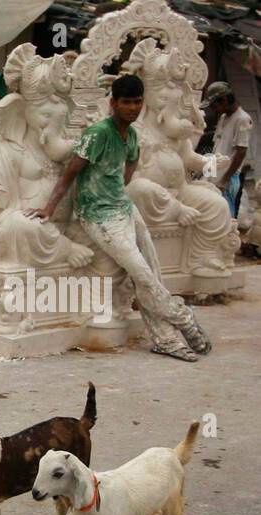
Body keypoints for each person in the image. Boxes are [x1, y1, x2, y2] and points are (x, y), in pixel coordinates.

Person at [29, 73, 212, 362]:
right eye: (126, 102)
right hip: (97, 217)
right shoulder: (98, 133)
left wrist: (116, 193)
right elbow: (70, 173)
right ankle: (182, 318)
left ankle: (165, 340)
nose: (133, 108)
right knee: (141, 273)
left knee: (152, 273)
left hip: (125, 209)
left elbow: (129, 168)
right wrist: (49, 209)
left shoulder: (133, 135)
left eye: (137, 102)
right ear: (113, 103)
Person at [204, 80, 252, 218]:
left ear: (224, 100)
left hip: (228, 176)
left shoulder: (242, 119)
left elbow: (241, 151)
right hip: (214, 170)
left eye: (214, 105)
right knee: (212, 214)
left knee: (225, 217)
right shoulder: (224, 117)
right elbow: (217, 147)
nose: (213, 109)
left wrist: (225, 179)